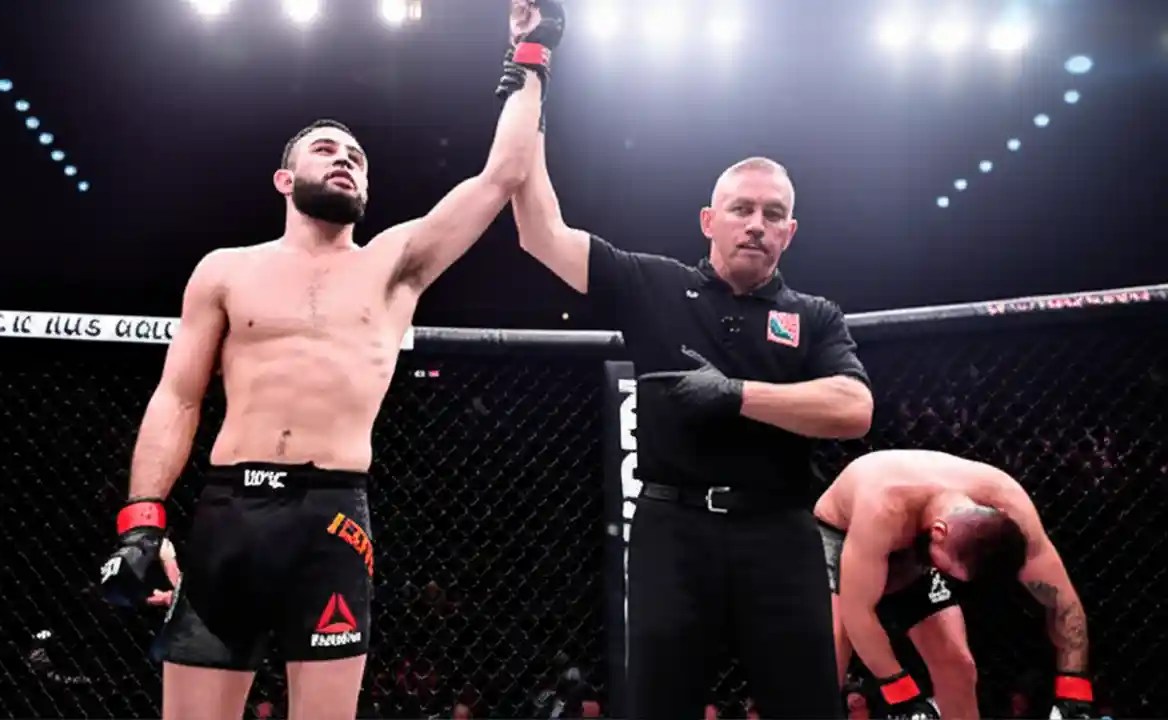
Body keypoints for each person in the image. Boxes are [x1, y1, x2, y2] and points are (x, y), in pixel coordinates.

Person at [96, 3, 566, 719]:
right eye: (325, 149)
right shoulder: (224, 270)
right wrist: (142, 522)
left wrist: (531, 55)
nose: (345, 158)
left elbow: (502, 175)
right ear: (284, 180)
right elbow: (178, 397)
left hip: (333, 515)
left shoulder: (393, 266)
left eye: (357, 157)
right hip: (230, 511)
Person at [508, 120, 873, 713]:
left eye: (773, 214)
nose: (756, 225)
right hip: (672, 532)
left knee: (808, 706)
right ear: (709, 220)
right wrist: (531, 103)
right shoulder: (653, 284)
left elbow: (855, 409)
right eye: (741, 209)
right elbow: (539, 233)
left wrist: (736, 394)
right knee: (660, 706)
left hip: (779, 532)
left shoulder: (814, 316)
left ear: (790, 232)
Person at [815, 449, 1095, 719]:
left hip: (915, 545)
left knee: (957, 667)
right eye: (946, 569)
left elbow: (1061, 600)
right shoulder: (884, 506)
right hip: (843, 535)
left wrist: (1074, 690)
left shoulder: (1009, 505)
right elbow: (858, 611)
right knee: (827, 667)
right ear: (939, 532)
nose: (945, 576)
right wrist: (901, 694)